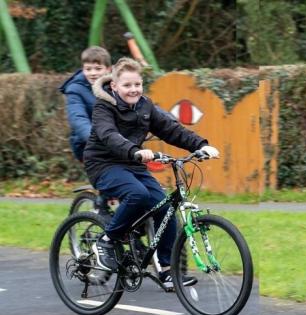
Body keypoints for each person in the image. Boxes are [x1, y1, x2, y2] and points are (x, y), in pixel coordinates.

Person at [83, 57, 220, 289]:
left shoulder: (145, 106)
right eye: (127, 85)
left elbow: (170, 129)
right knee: (137, 194)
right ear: (114, 86)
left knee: (166, 207)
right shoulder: (103, 107)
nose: (133, 89)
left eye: (137, 84)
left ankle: (166, 271)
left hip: (133, 164)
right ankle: (106, 240)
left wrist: (200, 145)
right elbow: (108, 136)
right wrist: (135, 150)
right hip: (104, 164)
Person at [59, 46, 112, 162]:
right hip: (88, 146)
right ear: (83, 69)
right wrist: (97, 141)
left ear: (108, 69)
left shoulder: (116, 86)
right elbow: (78, 118)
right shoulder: (75, 90)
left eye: (98, 69)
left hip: (115, 141)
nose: (93, 73)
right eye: (88, 69)